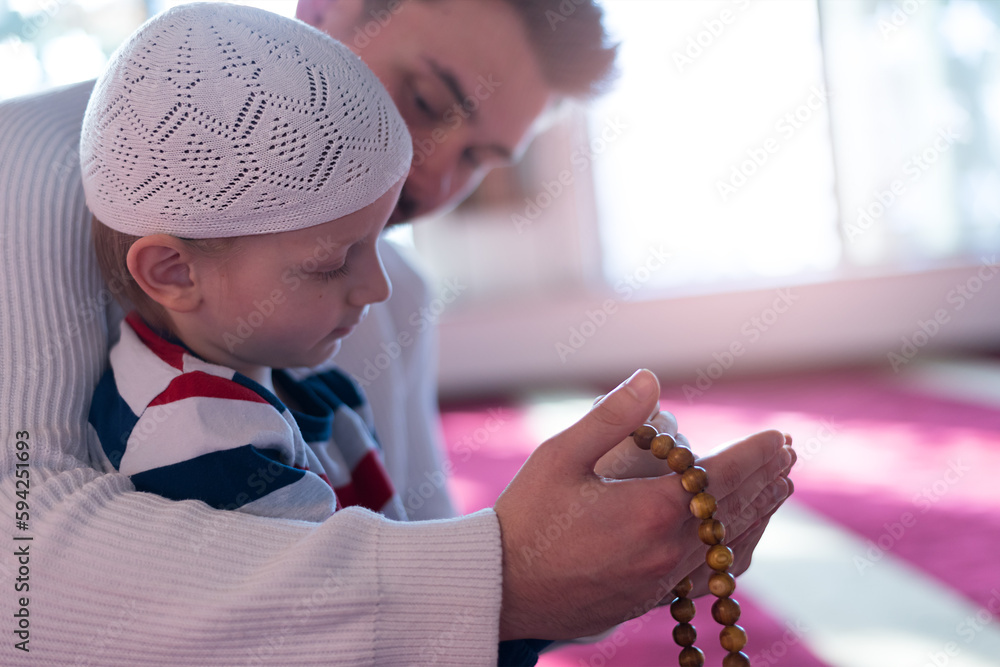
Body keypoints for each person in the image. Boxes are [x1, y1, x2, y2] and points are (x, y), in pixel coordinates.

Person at [0, 1, 795, 665]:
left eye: (482, 156)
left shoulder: (394, 292)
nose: (434, 169)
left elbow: (420, 556)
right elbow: (22, 573)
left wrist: (603, 554)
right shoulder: (24, 163)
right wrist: (505, 575)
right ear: (326, 7)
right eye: (427, 99)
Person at [84, 3, 412, 525]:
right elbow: (352, 599)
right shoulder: (196, 440)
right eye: (331, 263)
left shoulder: (312, 385)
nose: (378, 288)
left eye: (378, 240)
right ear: (175, 272)